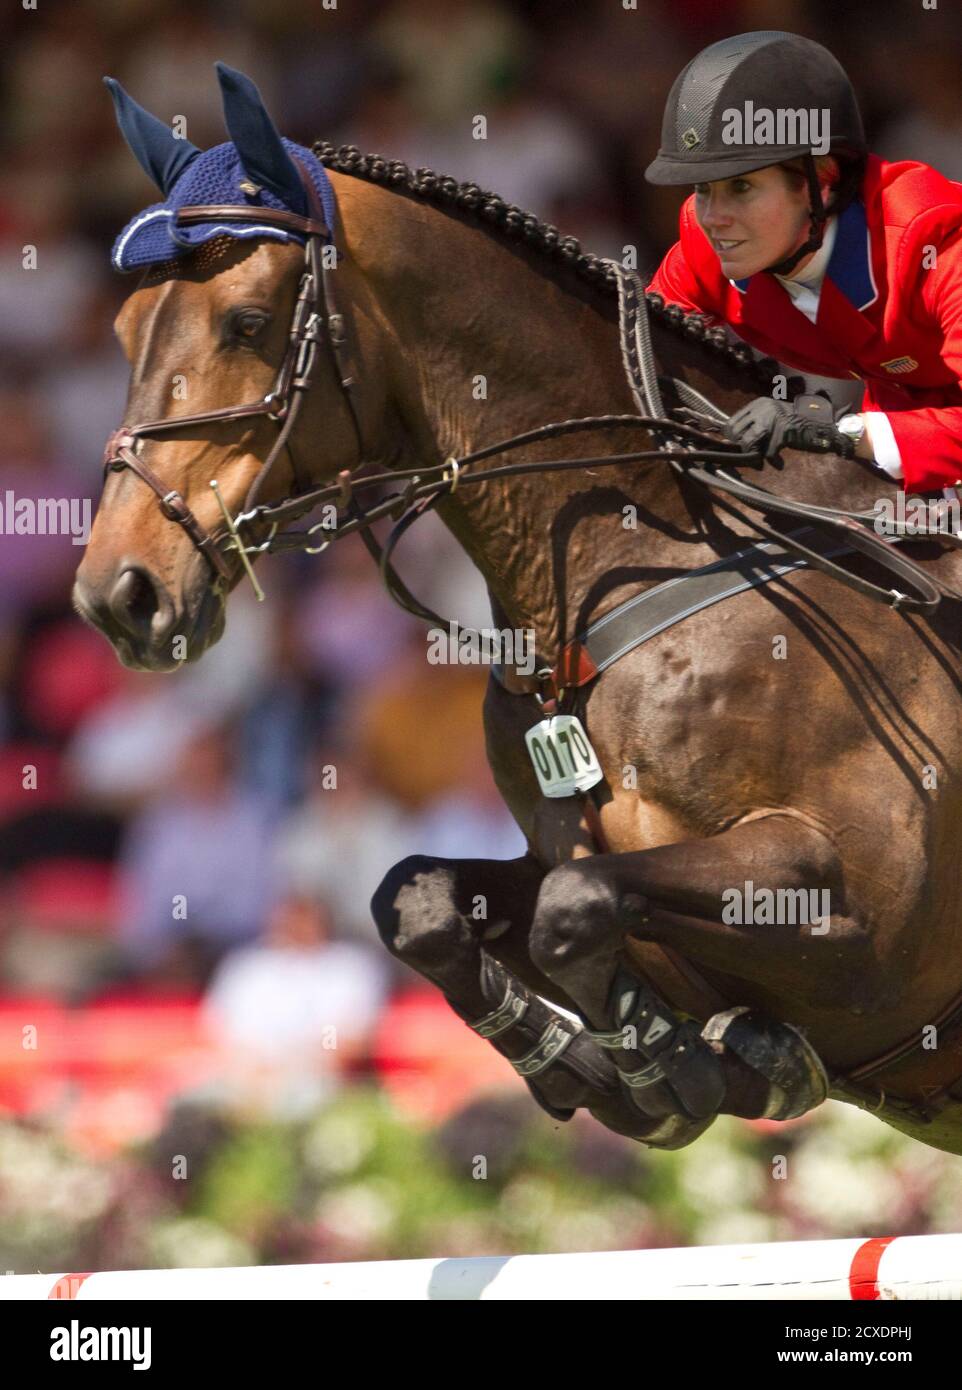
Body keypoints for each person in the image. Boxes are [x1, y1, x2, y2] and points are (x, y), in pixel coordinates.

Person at [644, 30, 962, 495]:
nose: (712, 218)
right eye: (702, 189)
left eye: (741, 187)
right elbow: (635, 359)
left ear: (823, 178)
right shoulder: (707, 243)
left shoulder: (935, 246)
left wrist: (837, 432)